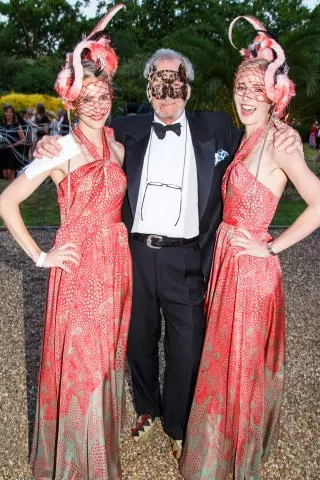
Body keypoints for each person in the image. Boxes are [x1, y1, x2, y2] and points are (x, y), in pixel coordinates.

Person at [34, 46, 301, 460]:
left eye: (176, 83)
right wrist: (48, 143)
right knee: (138, 339)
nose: (168, 93)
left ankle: (178, 423)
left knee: (187, 346)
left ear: (188, 90)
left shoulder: (219, 128)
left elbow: (263, 134)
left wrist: (288, 130)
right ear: (148, 88)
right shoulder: (124, 127)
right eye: (158, 84)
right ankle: (145, 406)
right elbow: (82, 132)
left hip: (188, 259)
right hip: (135, 255)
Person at [179, 16, 320, 479]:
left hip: (252, 273)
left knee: (240, 367)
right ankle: (217, 451)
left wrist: (272, 247)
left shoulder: (281, 142)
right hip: (228, 264)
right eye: (241, 86)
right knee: (223, 361)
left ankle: (233, 462)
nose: (245, 96)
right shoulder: (248, 137)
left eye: (256, 89)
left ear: (274, 93)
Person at [0, 5, 131, 479]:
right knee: (81, 367)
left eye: (104, 95)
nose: (98, 105)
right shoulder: (64, 147)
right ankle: (79, 466)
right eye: (88, 97)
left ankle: (98, 453)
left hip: (116, 267)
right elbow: (7, 201)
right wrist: (41, 255)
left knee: (105, 363)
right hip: (78, 271)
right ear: (74, 100)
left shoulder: (117, 146)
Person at [0, 104, 26, 180]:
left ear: (13, 114)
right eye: (6, 112)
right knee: (5, 175)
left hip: (14, 152)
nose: (8, 113)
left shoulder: (16, 125)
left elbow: (23, 139)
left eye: (10, 112)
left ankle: (15, 191)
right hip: (4, 151)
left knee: (10, 174)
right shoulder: (2, 125)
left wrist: (11, 145)